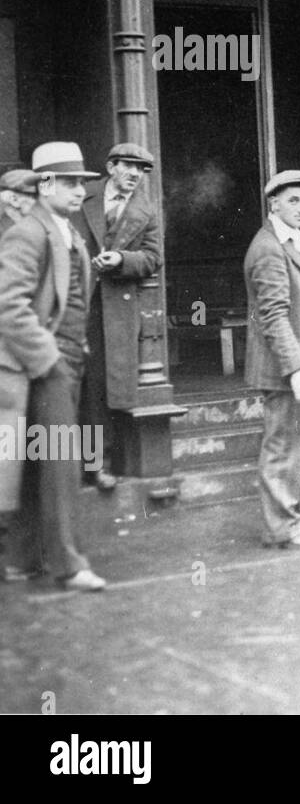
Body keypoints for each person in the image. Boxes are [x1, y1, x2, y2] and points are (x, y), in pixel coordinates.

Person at [0, 142, 106, 591]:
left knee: (37, 461)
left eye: (81, 183)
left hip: (66, 359)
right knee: (61, 459)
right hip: (44, 364)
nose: (78, 191)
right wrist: (47, 360)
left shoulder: (65, 230)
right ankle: (69, 563)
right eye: (67, 182)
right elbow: (7, 304)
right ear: (44, 185)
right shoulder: (30, 232)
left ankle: (22, 559)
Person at [244, 170, 300, 549]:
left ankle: (290, 521)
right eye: (293, 200)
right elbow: (273, 315)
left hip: (297, 364)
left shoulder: (292, 243)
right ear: (273, 203)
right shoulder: (269, 248)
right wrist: (297, 367)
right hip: (284, 368)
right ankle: (283, 527)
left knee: (291, 446)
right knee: (282, 448)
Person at [72, 142, 162, 492]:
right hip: (74, 301)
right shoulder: (82, 194)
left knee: (101, 388)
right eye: (129, 167)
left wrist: (122, 260)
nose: (135, 175)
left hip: (114, 309)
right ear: (111, 167)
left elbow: (153, 258)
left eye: (141, 170)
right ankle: (56, 465)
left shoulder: (146, 210)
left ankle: (98, 464)